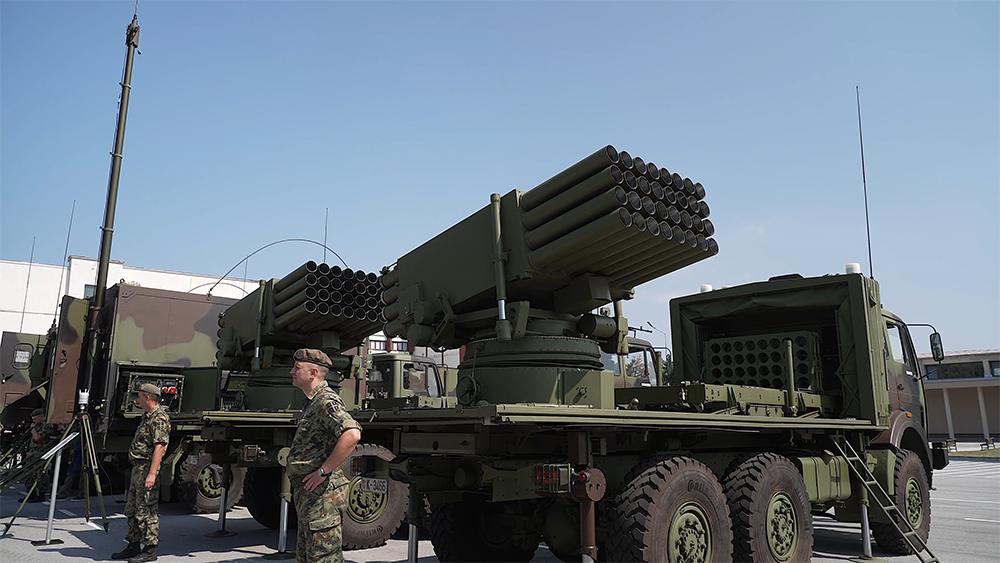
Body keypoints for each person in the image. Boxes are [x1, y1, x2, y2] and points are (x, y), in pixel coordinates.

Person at [287, 348, 362, 563]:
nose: (292, 372)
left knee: (323, 558)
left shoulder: (325, 401)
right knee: (308, 556)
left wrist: (322, 471)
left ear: (313, 373)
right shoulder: (312, 402)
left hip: (323, 497)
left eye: (297, 368)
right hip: (311, 497)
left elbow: (352, 434)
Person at [112, 383, 170, 563]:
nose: (136, 399)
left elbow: (160, 448)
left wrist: (152, 474)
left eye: (139, 396)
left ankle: (150, 549)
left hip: (146, 469)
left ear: (147, 397)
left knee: (147, 509)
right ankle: (133, 545)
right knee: (133, 509)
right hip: (138, 468)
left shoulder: (159, 418)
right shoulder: (147, 417)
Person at [18, 408, 60, 503]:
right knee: (28, 473)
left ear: (42, 417)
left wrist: (33, 429)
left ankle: (41, 494)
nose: (34, 421)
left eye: (35, 419)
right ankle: (31, 494)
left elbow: (37, 438)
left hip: (42, 454)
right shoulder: (36, 426)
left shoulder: (47, 426)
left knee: (41, 474)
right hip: (33, 453)